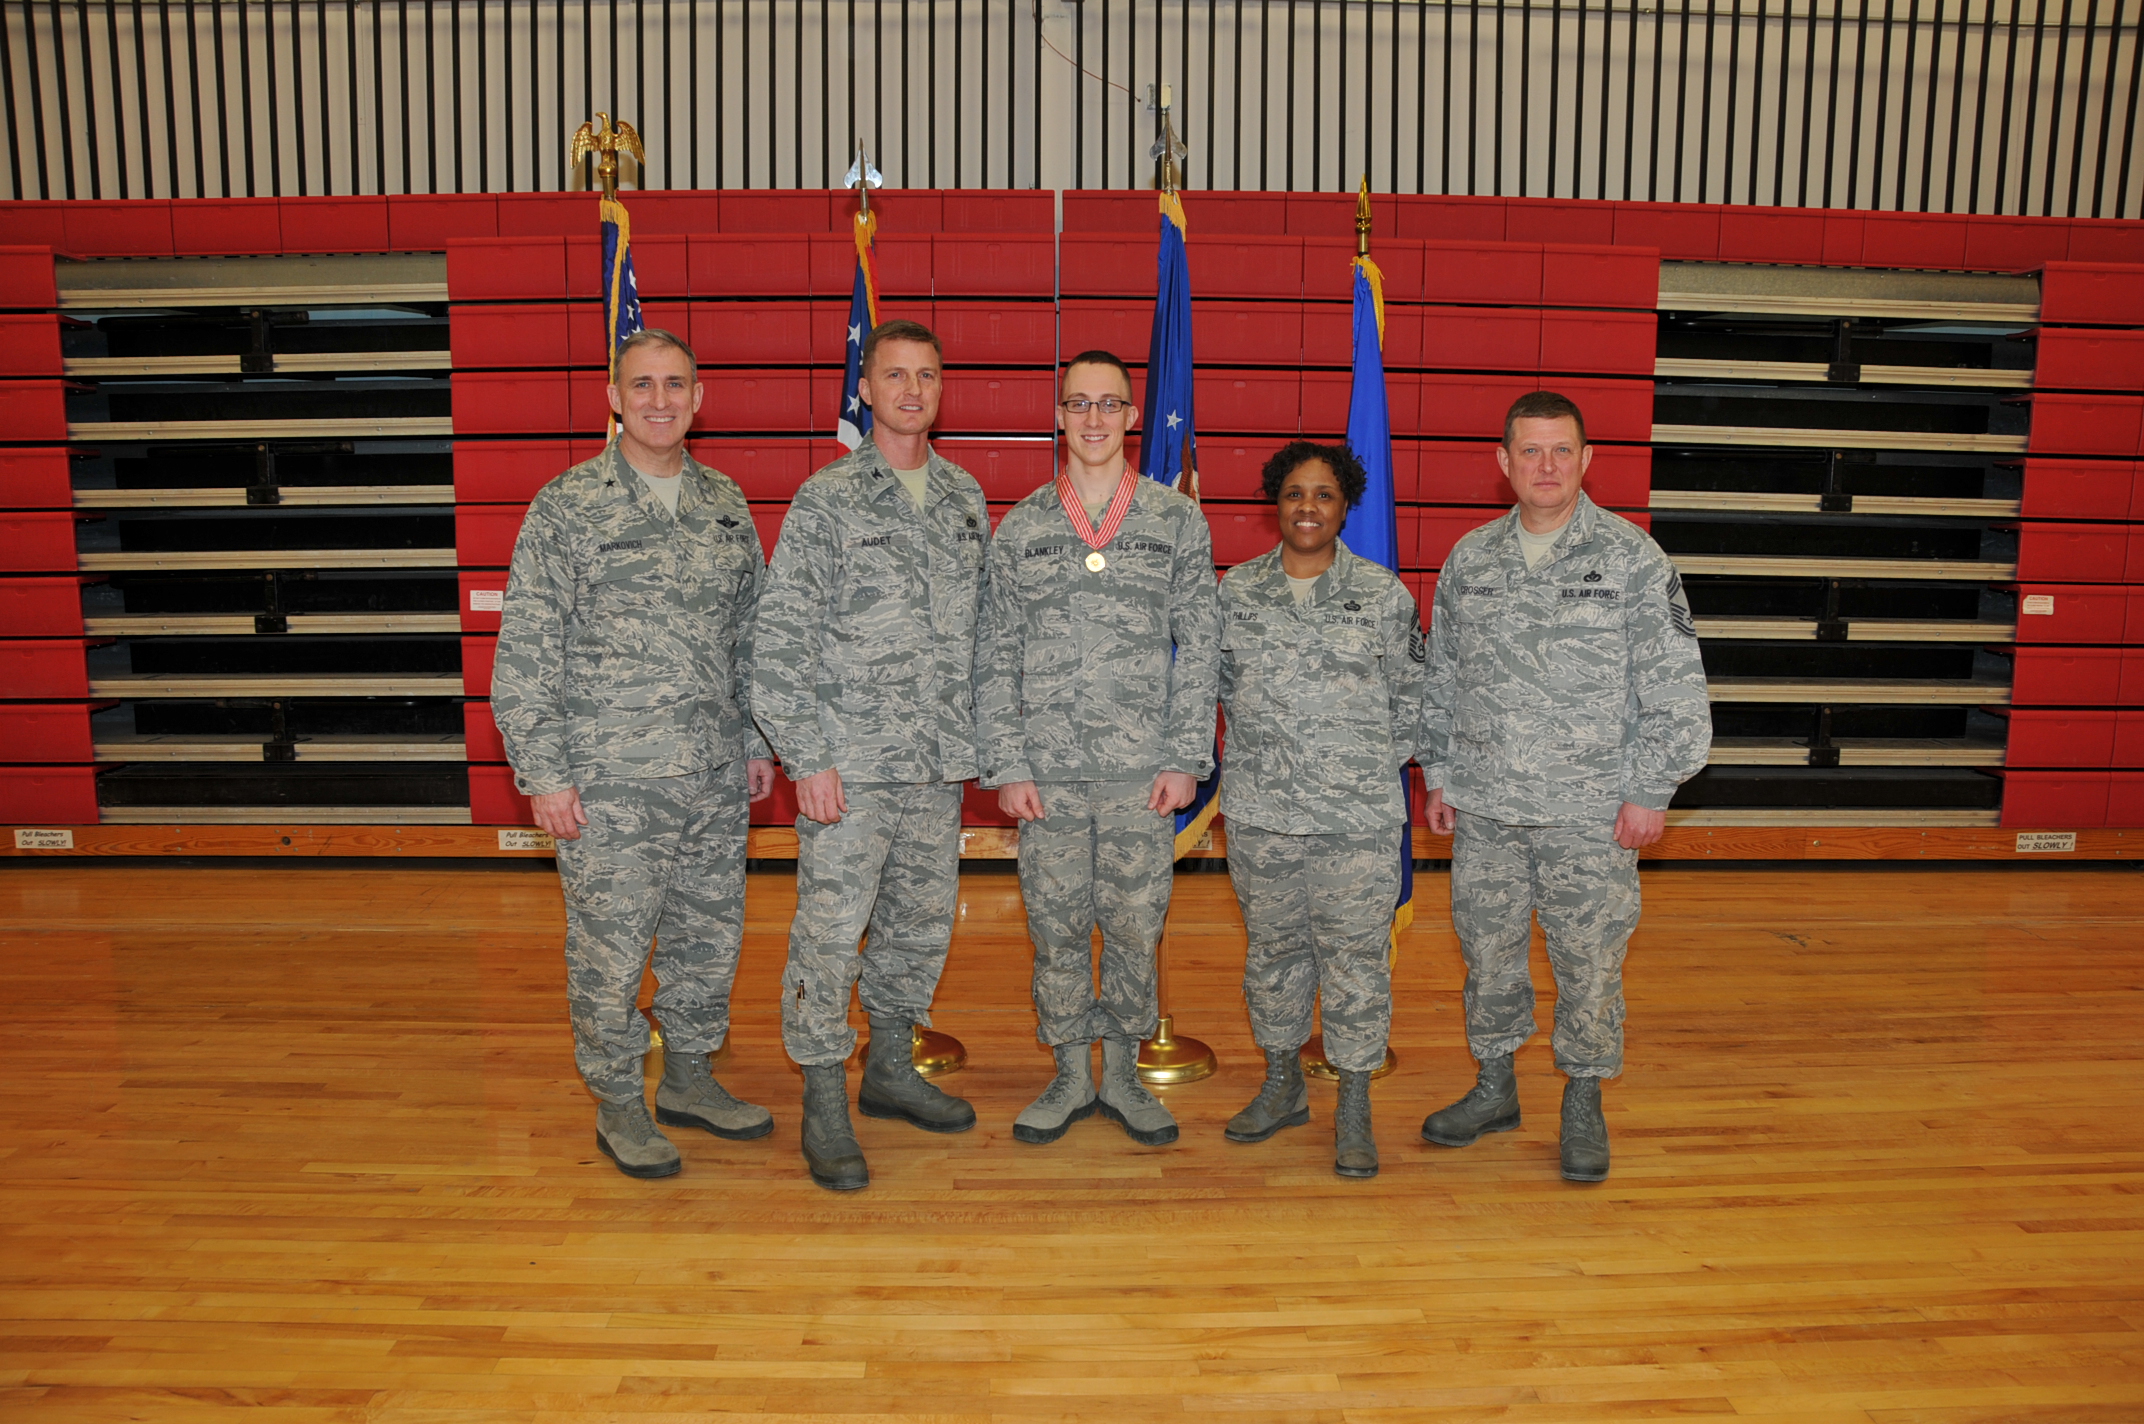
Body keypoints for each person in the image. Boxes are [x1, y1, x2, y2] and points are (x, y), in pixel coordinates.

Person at [491, 328, 778, 1181]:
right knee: (610, 950)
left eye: (676, 385)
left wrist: (759, 738)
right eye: (643, 386)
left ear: (700, 398)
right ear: (614, 398)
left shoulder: (725, 501)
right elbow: (526, 650)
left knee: (707, 938)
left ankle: (689, 1078)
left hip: (714, 771)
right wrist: (543, 775)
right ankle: (619, 1099)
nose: (660, 401)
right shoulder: (566, 505)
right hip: (609, 780)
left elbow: (753, 637)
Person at [1418, 390, 1710, 1183]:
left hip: (1591, 812)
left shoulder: (1632, 558)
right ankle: (1494, 1087)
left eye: (1561, 451)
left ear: (1586, 460)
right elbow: (1441, 678)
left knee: (1589, 961)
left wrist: (1652, 788)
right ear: (1503, 462)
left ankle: (1583, 1097)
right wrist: (1439, 774)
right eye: (1529, 451)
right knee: (1489, 954)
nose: (1545, 466)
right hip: (1486, 809)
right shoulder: (1470, 559)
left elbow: (1677, 689)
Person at [749, 319, 990, 1192]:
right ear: (867, 388)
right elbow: (779, 642)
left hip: (935, 766)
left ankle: (890, 1067)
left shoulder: (965, 496)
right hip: (848, 768)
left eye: (928, 374)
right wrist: (806, 756)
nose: (913, 390)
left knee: (919, 928)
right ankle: (823, 1095)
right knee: (830, 934)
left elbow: (984, 639)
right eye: (895, 375)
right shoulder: (828, 500)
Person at [977, 349, 1222, 1150]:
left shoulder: (1175, 519)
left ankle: (1120, 1072)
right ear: (1058, 416)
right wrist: (1008, 763)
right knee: (1054, 928)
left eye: (1108, 404)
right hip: (1046, 777)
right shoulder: (1022, 526)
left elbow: (1203, 645)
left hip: (1139, 774)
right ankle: (1069, 1073)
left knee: (1132, 926)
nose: (1092, 420)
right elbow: (993, 652)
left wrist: (1185, 755)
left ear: (1131, 416)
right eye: (1077, 404)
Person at [1215, 440, 1424, 1180]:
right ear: (1276, 502)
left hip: (1356, 824)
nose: (1309, 507)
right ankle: (1281, 1088)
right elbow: (1216, 696)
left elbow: (1413, 704)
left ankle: (1355, 1105)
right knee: (1272, 959)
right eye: (1295, 493)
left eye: (1325, 495)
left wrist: (1354, 768)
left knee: (1356, 964)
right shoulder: (1234, 594)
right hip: (1262, 817)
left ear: (1345, 506)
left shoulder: (1384, 596)